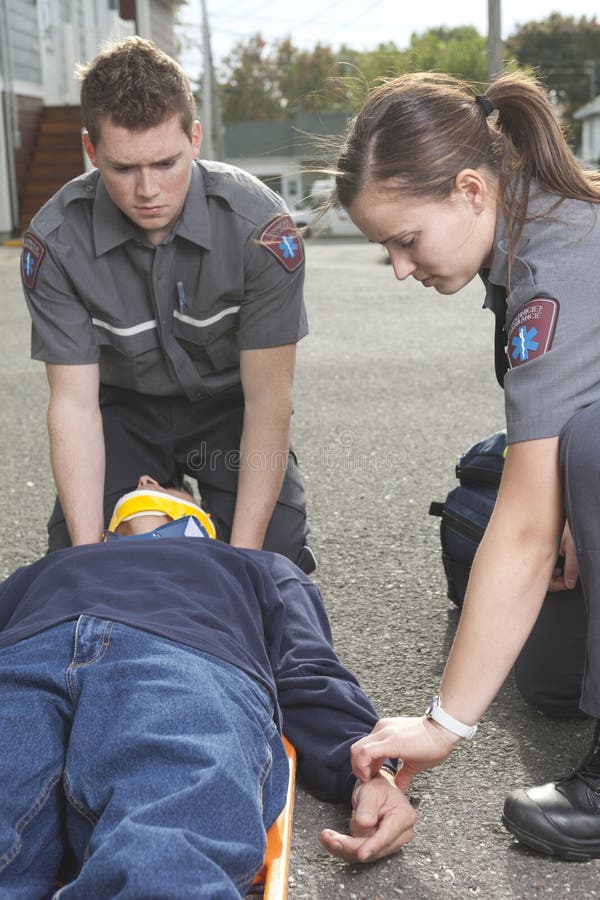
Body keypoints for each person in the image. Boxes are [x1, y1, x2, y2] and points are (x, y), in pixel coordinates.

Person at [333, 70, 600, 860]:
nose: (401, 269)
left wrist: (441, 726)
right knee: (553, 683)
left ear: (471, 190)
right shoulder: (524, 239)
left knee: (579, 453)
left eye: (406, 240)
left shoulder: (559, 265)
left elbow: (522, 533)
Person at [0, 477, 415, 897]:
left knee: (171, 834)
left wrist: (371, 771)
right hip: (24, 657)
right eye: (145, 480)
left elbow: (308, 667)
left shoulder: (253, 565)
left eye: (169, 484)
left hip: (187, 656)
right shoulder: (46, 567)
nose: (146, 480)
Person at [20, 36, 314, 573]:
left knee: (272, 556)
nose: (147, 190)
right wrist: (88, 568)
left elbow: (269, 400)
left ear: (195, 137)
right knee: (78, 557)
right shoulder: (55, 241)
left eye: (165, 162)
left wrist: (246, 568)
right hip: (124, 412)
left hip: (230, 411)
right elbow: (75, 406)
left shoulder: (261, 230)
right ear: (91, 151)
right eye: (123, 168)